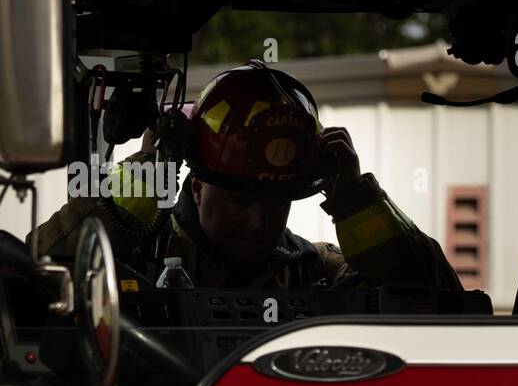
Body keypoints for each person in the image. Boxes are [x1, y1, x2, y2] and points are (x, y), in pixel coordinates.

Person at [31, 60, 462, 292]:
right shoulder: (136, 261)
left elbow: (438, 298)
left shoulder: (315, 271)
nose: (260, 222)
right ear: (196, 188)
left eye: (277, 202)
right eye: (240, 201)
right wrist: (146, 177)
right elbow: (35, 275)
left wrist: (356, 200)